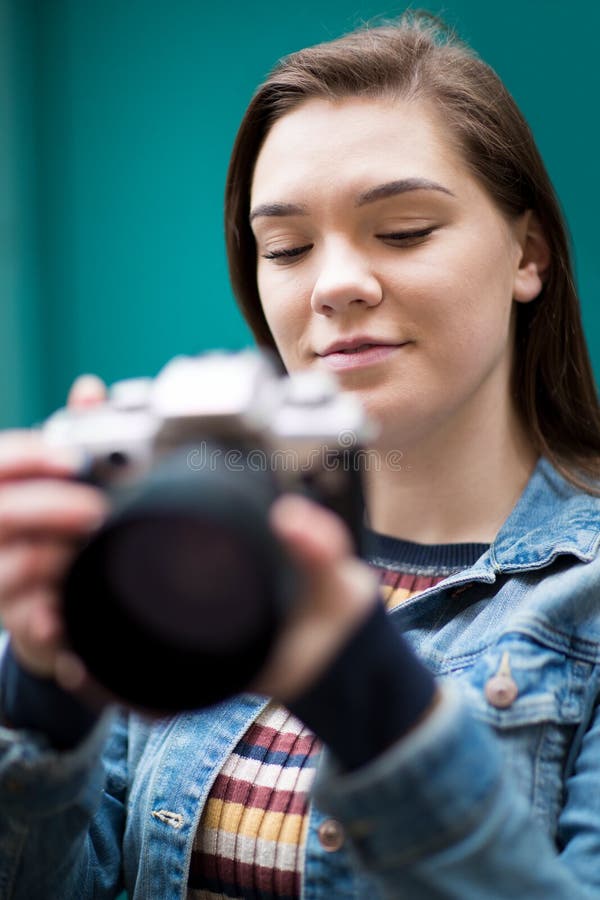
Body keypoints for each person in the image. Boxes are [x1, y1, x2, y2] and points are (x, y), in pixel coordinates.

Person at [1, 10, 600, 898]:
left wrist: (379, 714)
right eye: (285, 248)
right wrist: (41, 709)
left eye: (403, 232)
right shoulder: (183, 534)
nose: (334, 285)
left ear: (529, 252)